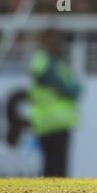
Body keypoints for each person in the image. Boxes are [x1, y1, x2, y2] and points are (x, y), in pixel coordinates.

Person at [29, 27, 81, 177]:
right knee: (55, 166)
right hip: (52, 120)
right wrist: (73, 89)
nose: (61, 45)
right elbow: (68, 89)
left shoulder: (52, 62)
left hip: (54, 121)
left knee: (54, 165)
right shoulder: (47, 63)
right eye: (58, 40)